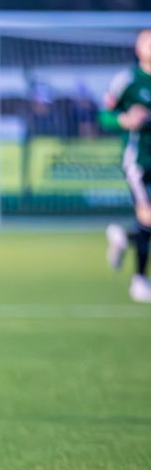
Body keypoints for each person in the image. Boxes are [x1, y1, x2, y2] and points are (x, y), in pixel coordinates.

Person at [102, 28, 151, 303]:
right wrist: (124, 120)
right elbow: (104, 115)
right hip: (139, 161)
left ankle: (125, 238)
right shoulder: (128, 80)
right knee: (148, 216)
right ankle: (140, 281)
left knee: (147, 223)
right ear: (138, 48)